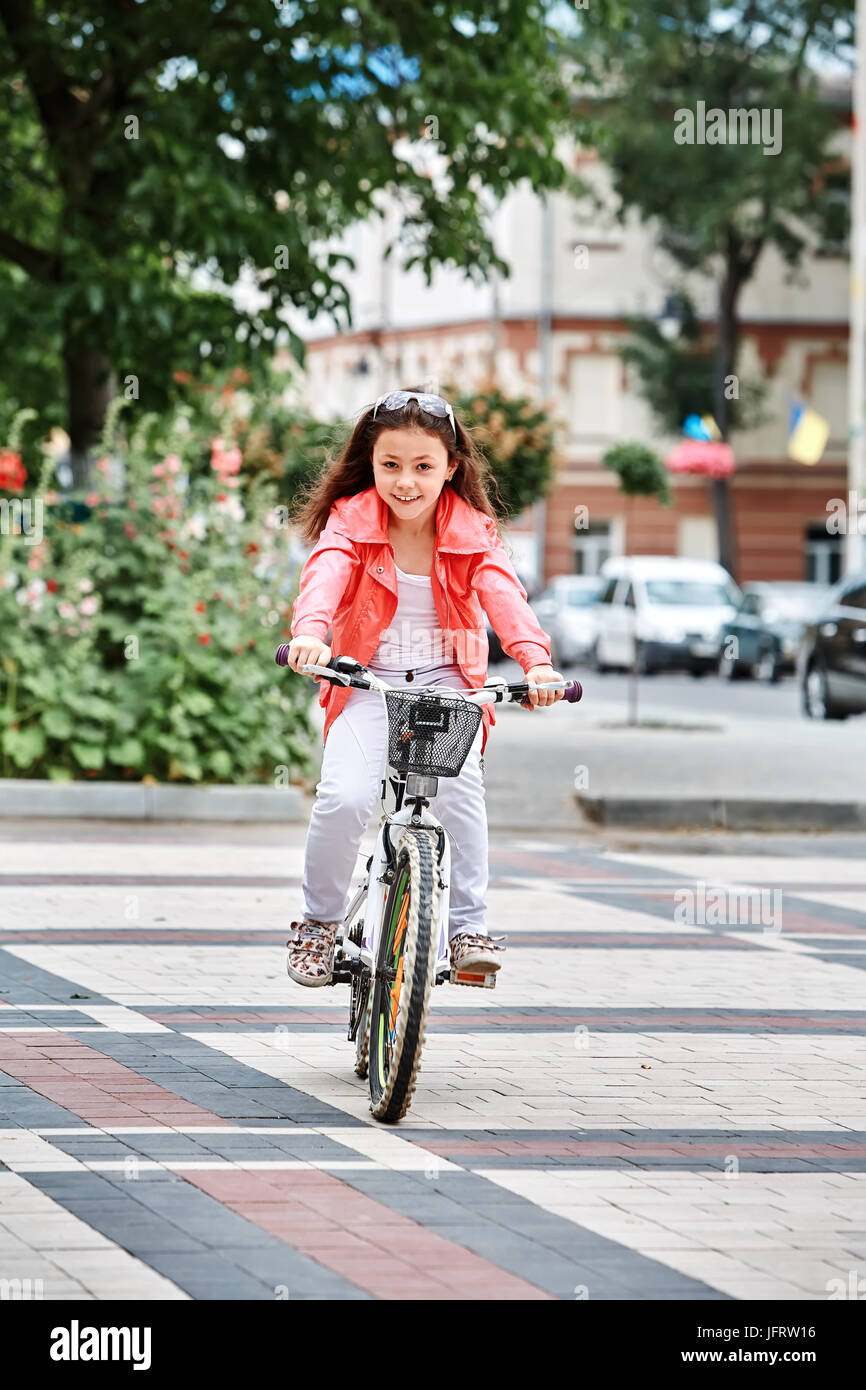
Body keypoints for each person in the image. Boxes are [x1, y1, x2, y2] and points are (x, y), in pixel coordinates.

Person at [283, 388, 562, 987]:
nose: (405, 482)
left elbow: (503, 595)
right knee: (343, 799)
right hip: (365, 682)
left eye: (422, 467)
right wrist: (310, 634)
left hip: (445, 690)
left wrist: (535, 663)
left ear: (450, 468)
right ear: (372, 463)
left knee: (462, 802)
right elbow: (325, 575)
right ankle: (318, 926)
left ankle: (467, 931)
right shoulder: (351, 520)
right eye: (391, 465)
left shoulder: (472, 531)